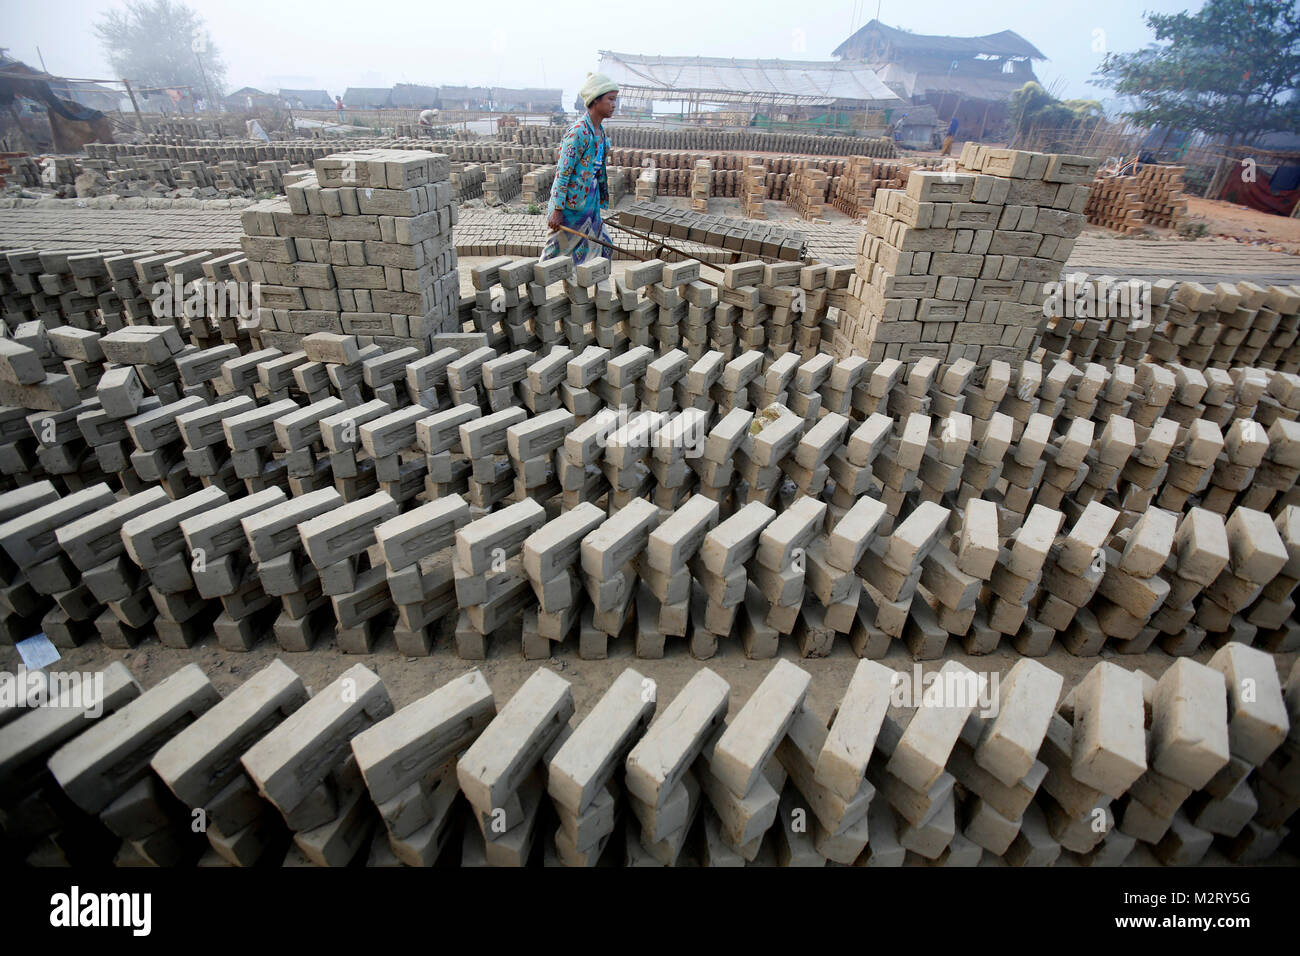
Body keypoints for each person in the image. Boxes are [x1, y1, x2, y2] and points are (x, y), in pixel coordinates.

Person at [542, 72, 619, 265]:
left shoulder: (600, 133)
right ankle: (536, 284)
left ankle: (588, 288)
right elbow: (562, 173)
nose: (614, 104)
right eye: (610, 99)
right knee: (554, 252)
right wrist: (557, 209)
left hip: (589, 205)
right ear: (595, 100)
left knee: (603, 247)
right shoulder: (578, 132)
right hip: (570, 208)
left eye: (615, 99)